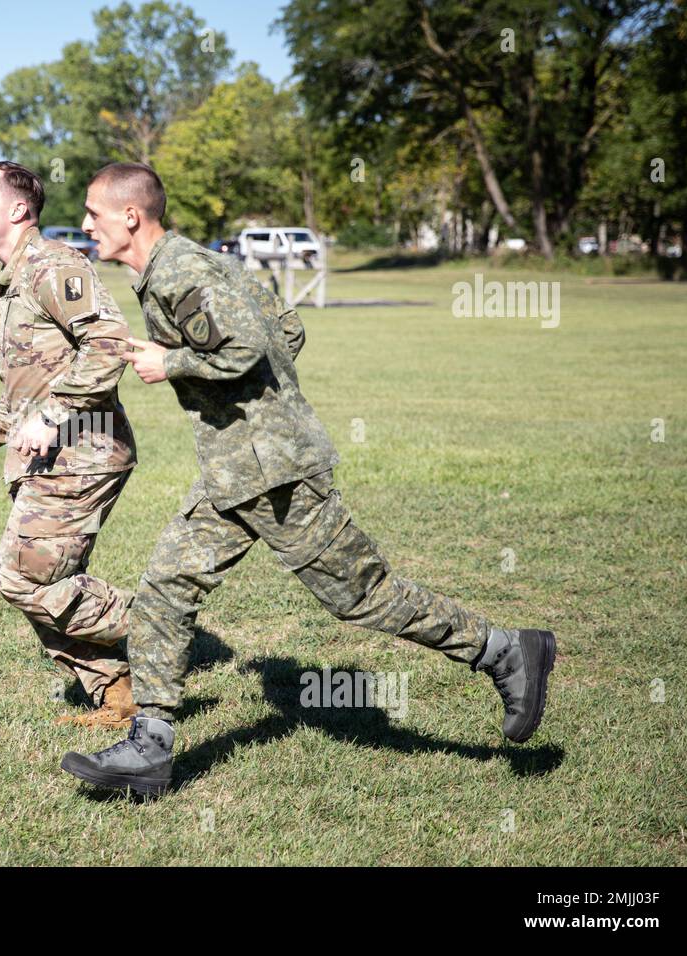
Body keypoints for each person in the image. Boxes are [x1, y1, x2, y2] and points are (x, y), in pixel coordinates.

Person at [60, 163, 556, 795]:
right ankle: (150, 750)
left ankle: (507, 651)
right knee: (164, 588)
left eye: (92, 213)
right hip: (236, 471)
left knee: (362, 596)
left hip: (275, 472)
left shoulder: (183, 271)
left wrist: (171, 362)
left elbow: (245, 348)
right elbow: (288, 328)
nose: (84, 225)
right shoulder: (188, 265)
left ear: (131, 216)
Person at [0, 161, 139, 727]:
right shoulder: (12, 283)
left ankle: (158, 626)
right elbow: (29, 385)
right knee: (39, 580)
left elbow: (109, 342)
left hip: (84, 453)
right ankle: (117, 695)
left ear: (18, 209)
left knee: (23, 578)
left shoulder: (54, 266)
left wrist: (54, 415)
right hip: (46, 457)